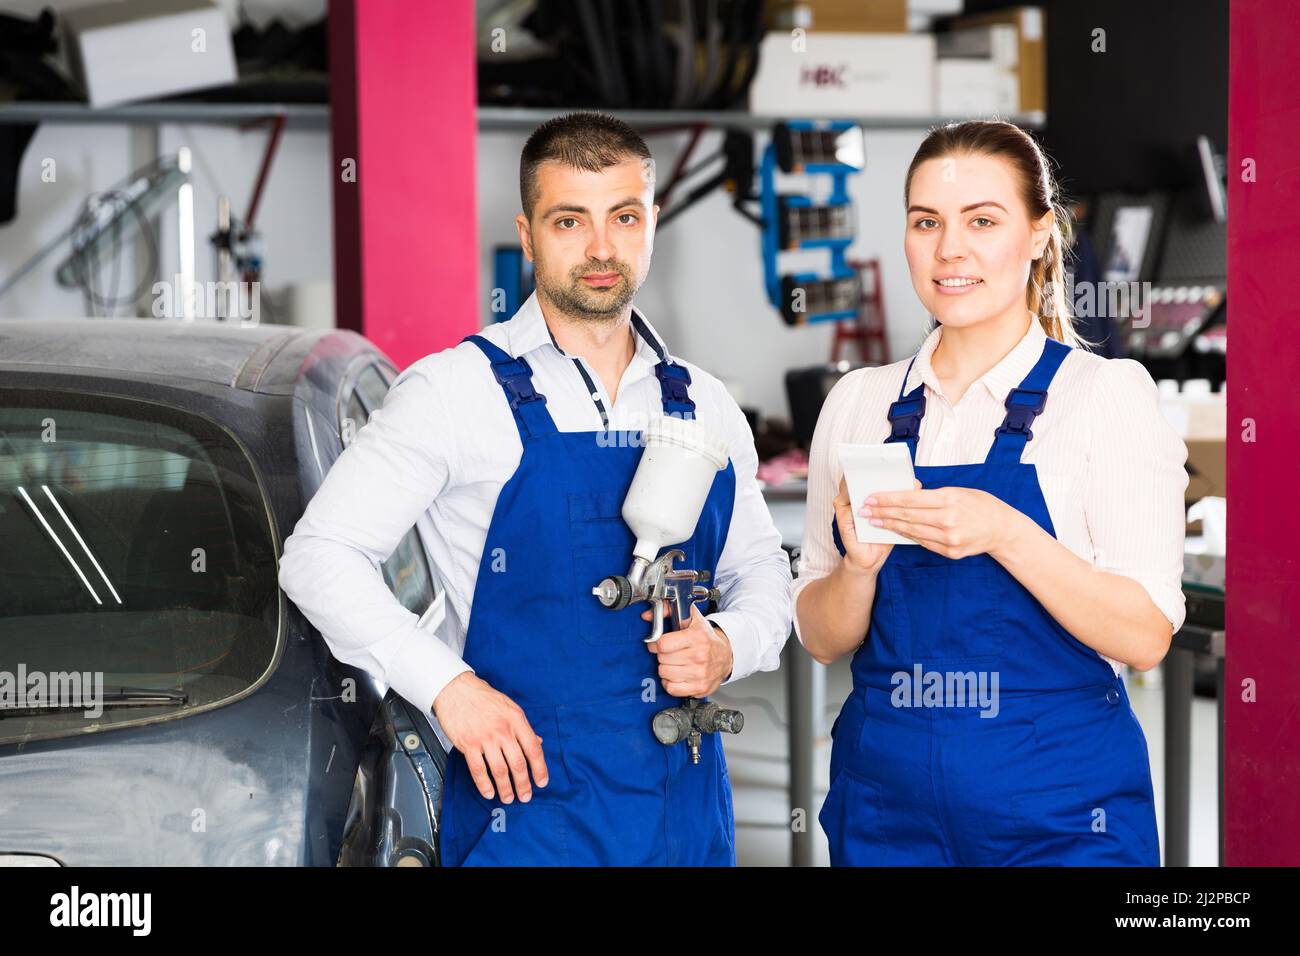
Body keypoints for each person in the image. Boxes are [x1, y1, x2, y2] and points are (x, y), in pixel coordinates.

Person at [278, 112, 792, 866]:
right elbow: (319, 557)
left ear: (651, 223)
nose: (600, 248)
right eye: (568, 220)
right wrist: (447, 686)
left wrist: (728, 643)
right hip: (527, 818)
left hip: (684, 818)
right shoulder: (455, 392)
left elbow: (762, 575)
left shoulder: (704, 404)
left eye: (623, 217)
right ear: (527, 235)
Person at [794, 120, 1187, 866]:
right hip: (886, 808)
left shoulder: (1105, 398)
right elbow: (820, 638)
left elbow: (1143, 636)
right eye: (926, 223)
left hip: (1061, 814)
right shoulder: (859, 404)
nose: (950, 250)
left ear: (1040, 235)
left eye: (982, 221)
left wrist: (1005, 531)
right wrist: (857, 570)